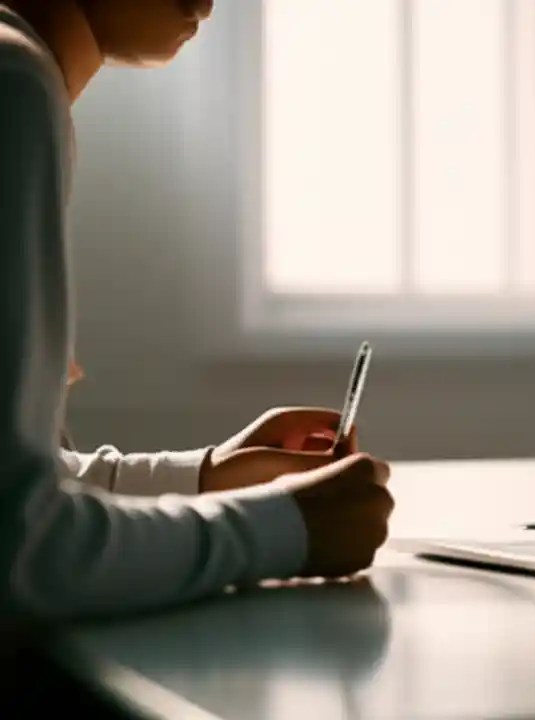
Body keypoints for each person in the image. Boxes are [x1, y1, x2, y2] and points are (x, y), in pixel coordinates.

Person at [0, 0, 395, 620]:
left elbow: (26, 487)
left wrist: (207, 476)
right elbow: (22, 550)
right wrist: (286, 529)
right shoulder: (14, 86)